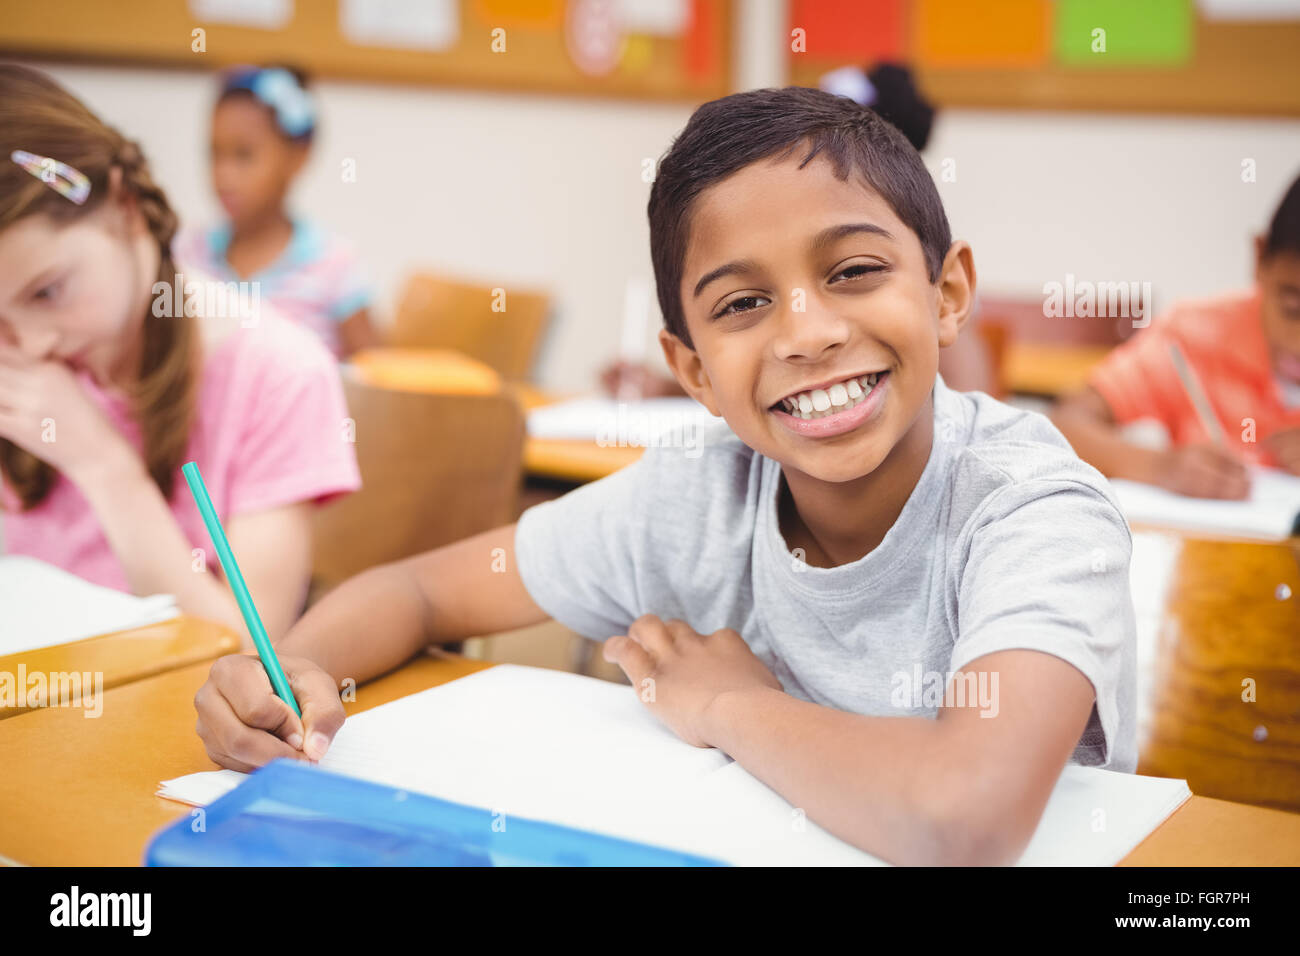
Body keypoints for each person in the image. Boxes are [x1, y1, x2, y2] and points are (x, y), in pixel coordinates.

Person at [193, 87, 1135, 866]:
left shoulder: (1030, 508)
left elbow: (963, 818)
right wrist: (298, 671)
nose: (807, 332)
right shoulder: (700, 491)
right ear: (693, 373)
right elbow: (416, 590)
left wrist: (730, 705)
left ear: (947, 294)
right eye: (744, 303)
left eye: (852, 270)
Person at [0, 64, 361, 642]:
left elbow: (250, 655)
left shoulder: (277, 372)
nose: (33, 343)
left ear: (123, 206)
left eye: (47, 292)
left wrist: (103, 464)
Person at [1052, 172, 1300, 498]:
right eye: (1292, 309)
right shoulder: (1194, 337)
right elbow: (1064, 425)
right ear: (1259, 257)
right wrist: (1160, 467)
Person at [174, 65, 378, 359]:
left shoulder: (335, 266)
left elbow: (373, 382)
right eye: (214, 154)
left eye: (244, 155)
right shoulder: (188, 255)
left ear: (298, 157)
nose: (223, 176)